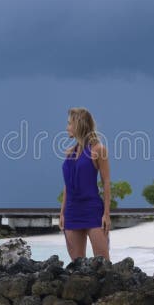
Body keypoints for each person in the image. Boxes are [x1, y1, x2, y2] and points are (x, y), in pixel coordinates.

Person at [60, 107, 111, 260]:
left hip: (93, 211)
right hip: (71, 212)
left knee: (103, 264)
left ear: (79, 125)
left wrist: (106, 214)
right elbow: (67, 186)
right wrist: (62, 212)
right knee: (77, 267)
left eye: (69, 123)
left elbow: (106, 183)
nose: (66, 127)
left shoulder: (98, 150)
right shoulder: (69, 152)